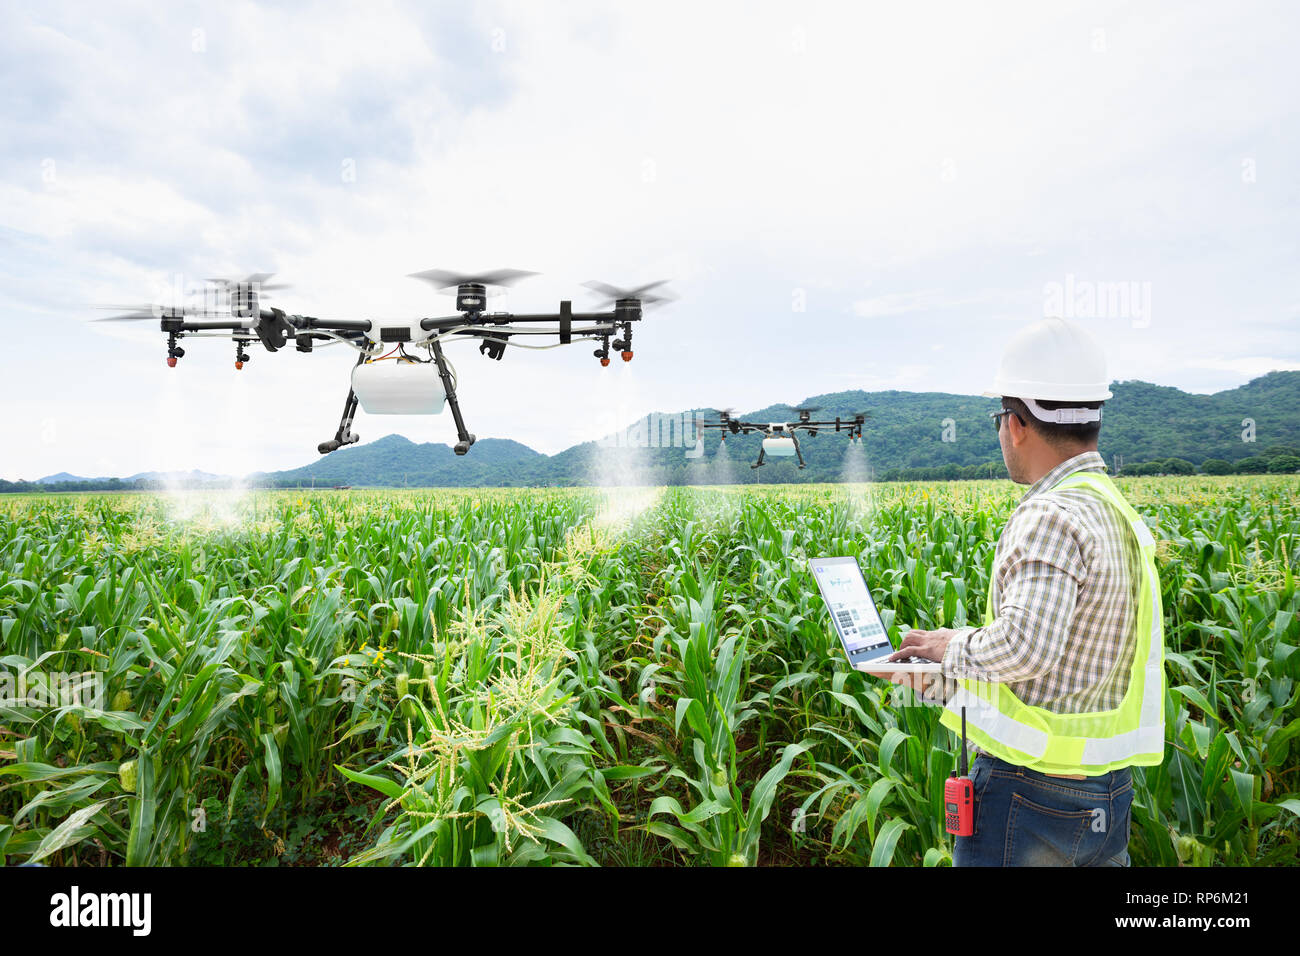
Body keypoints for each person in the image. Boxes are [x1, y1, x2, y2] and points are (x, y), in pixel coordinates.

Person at [888, 317, 1165, 866]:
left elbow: (1027, 648)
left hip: (1031, 799)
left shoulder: (1050, 512)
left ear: (1016, 424)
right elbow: (1067, 671)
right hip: (1106, 792)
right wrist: (943, 680)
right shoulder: (1113, 510)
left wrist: (949, 647)